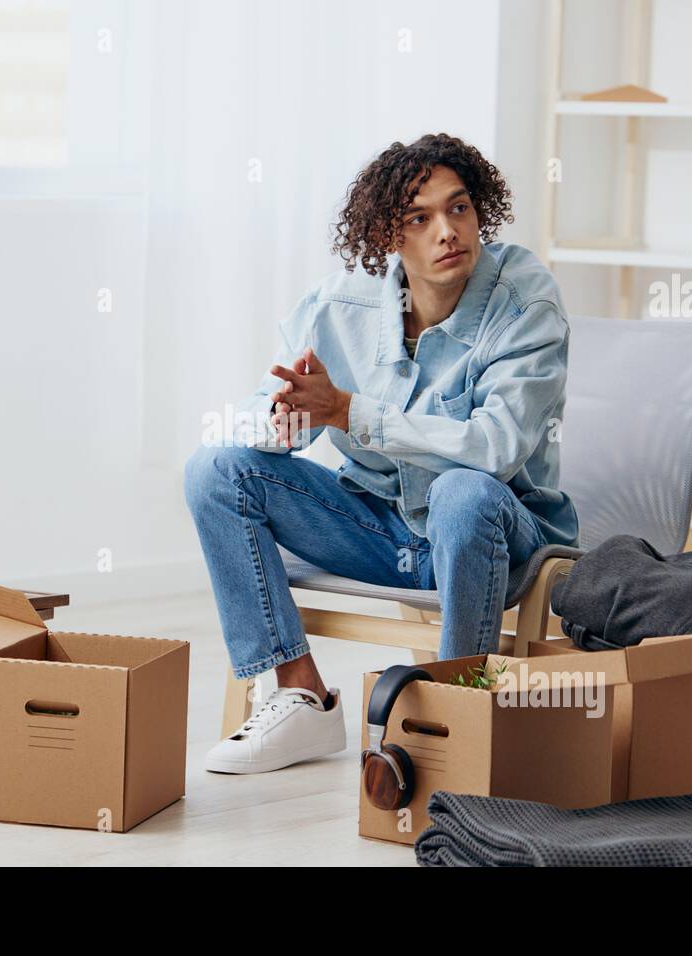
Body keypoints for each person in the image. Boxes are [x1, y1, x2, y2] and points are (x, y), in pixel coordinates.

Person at [184, 132, 580, 774]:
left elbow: (495, 449)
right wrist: (286, 414)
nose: (447, 232)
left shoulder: (524, 300)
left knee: (462, 491)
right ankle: (302, 696)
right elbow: (269, 420)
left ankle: (456, 711)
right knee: (215, 469)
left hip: (500, 542)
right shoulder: (339, 305)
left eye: (459, 208)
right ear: (387, 237)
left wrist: (347, 410)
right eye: (419, 219)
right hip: (376, 533)